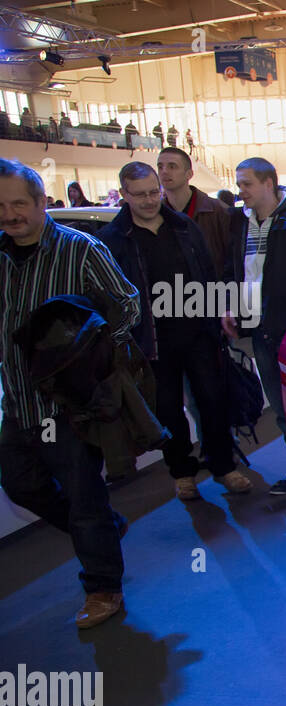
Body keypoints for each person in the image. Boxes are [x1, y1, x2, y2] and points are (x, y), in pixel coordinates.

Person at [0, 159, 141, 628]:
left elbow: (126, 305)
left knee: (83, 497)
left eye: (19, 203)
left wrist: (91, 358)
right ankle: (105, 527)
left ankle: (103, 587)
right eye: (1, 206)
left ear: (42, 202)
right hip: (18, 401)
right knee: (20, 484)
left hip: (70, 406)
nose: (10, 214)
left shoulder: (80, 250)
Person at [100, 162, 251, 502]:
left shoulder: (183, 227)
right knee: (168, 411)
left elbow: (207, 274)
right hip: (151, 343)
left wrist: (218, 315)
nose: (150, 200)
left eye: (154, 192)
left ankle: (223, 466)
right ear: (124, 195)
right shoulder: (113, 240)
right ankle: (182, 474)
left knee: (213, 401)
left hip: (198, 333)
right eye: (140, 195)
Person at [220, 157, 286, 501]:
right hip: (260, 327)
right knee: (280, 406)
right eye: (239, 183)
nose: (241, 190)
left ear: (268, 183)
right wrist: (231, 306)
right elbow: (239, 270)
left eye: (246, 183)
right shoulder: (240, 222)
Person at [159, 146, 232, 279]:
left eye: (172, 166)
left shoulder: (218, 211)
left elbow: (232, 260)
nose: (164, 172)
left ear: (189, 174)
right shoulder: (156, 215)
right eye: (160, 167)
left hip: (213, 293)